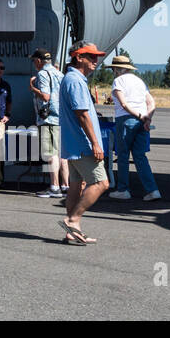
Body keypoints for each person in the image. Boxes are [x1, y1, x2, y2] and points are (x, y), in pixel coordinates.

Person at [58, 42, 109, 245]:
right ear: (79, 57)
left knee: (77, 185)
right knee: (101, 183)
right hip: (83, 144)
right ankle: (73, 219)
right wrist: (96, 143)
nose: (96, 60)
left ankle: (73, 231)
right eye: (91, 56)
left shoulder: (72, 79)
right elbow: (82, 114)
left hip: (74, 144)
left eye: (96, 56)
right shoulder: (75, 81)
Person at [106, 54, 160, 201]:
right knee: (140, 156)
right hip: (142, 120)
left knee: (123, 155)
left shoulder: (118, 81)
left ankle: (123, 189)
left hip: (126, 119)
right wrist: (147, 118)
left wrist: (139, 116)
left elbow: (123, 104)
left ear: (116, 69)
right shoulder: (140, 81)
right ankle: (152, 190)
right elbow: (151, 103)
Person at [29, 48, 67, 198]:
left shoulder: (42, 74)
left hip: (48, 118)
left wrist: (32, 88)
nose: (34, 64)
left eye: (34, 61)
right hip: (61, 117)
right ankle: (65, 185)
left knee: (50, 153)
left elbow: (45, 96)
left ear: (39, 61)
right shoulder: (60, 74)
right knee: (62, 154)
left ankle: (54, 186)